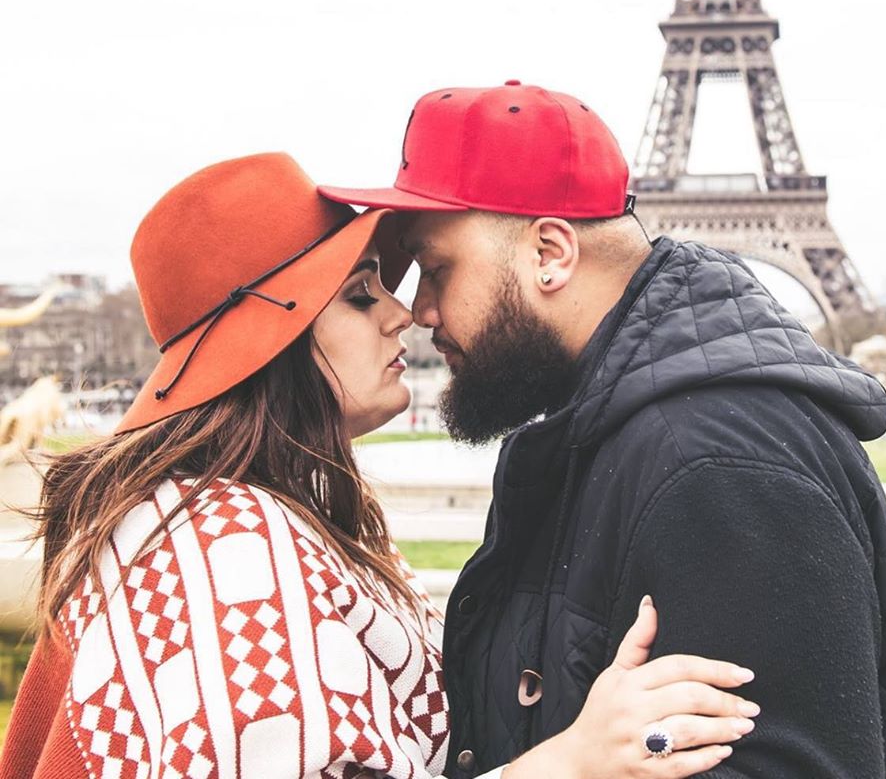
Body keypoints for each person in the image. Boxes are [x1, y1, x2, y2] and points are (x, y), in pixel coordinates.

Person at [0, 153, 759, 779]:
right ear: (276, 348)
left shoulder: (244, 518)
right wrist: (579, 760)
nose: (405, 313)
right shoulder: (227, 542)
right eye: (361, 296)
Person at [320, 81, 886, 779]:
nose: (421, 310)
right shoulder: (625, 433)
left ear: (550, 252)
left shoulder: (712, 464)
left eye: (436, 269)